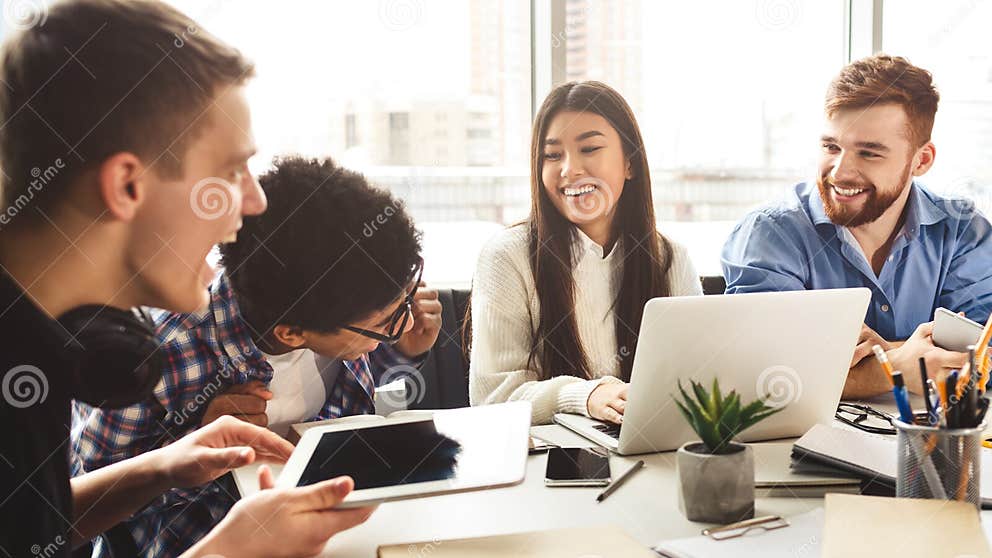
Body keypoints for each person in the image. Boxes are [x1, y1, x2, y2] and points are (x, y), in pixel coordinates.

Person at [0, 2, 372, 556]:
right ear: (128, 185)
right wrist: (232, 550)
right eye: (228, 173)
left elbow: (23, 529)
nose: (255, 200)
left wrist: (160, 469)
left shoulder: (37, 340)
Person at [72, 156, 440, 557]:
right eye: (388, 322)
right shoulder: (160, 353)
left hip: (339, 532)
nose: (402, 322)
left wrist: (404, 353)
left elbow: (355, 380)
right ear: (292, 333)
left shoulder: (342, 306)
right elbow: (83, 499)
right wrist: (189, 442)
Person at [722, 54, 992, 399]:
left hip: (934, 441)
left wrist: (880, 354)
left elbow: (981, 357)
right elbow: (761, 376)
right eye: (831, 146)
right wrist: (895, 366)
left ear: (921, 160)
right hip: (806, 444)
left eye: (869, 153)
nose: (840, 172)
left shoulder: (962, 232)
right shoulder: (770, 233)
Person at [469, 81, 703, 426]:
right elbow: (493, 399)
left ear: (630, 164)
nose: (569, 169)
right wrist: (585, 396)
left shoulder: (670, 257)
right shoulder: (507, 257)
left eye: (589, 148)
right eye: (552, 155)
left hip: (651, 449)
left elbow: (699, 376)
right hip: (551, 464)